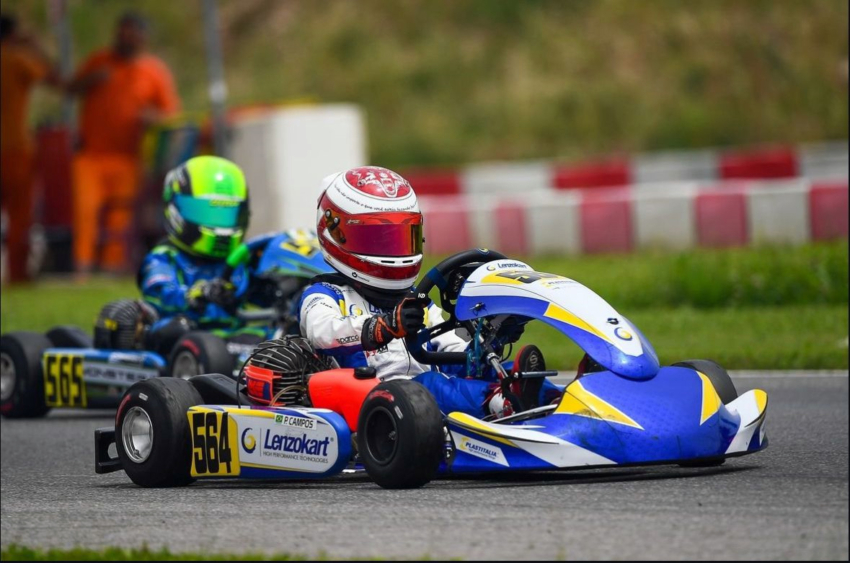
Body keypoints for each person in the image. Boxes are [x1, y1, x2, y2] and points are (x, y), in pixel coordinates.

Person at [299, 166, 562, 419]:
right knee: (433, 384)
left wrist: (486, 346)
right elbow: (323, 334)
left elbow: (448, 344)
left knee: (495, 369)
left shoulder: (413, 298)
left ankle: (556, 399)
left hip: (422, 395)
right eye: (378, 240)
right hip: (377, 397)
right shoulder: (324, 293)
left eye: (400, 238)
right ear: (335, 233)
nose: (392, 252)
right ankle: (499, 402)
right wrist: (383, 327)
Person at [67, 10, 180, 275]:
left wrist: (153, 117)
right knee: (85, 211)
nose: (127, 39)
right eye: (123, 33)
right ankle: (81, 269)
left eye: (134, 34)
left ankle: (111, 267)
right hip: (90, 155)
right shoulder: (99, 61)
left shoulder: (153, 71)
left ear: (143, 38)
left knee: (121, 216)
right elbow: (71, 89)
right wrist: (90, 80)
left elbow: (171, 114)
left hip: (128, 157)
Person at [138, 155, 251, 340]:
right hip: (181, 334)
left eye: (227, 215)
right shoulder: (164, 257)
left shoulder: (241, 259)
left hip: (230, 335)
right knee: (180, 330)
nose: (219, 225)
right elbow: (160, 294)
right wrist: (197, 294)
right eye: (205, 212)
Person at [0, 13, 62, 283]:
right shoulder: (16, 59)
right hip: (13, 147)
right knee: (19, 217)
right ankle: (17, 277)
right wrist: (34, 44)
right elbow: (56, 79)